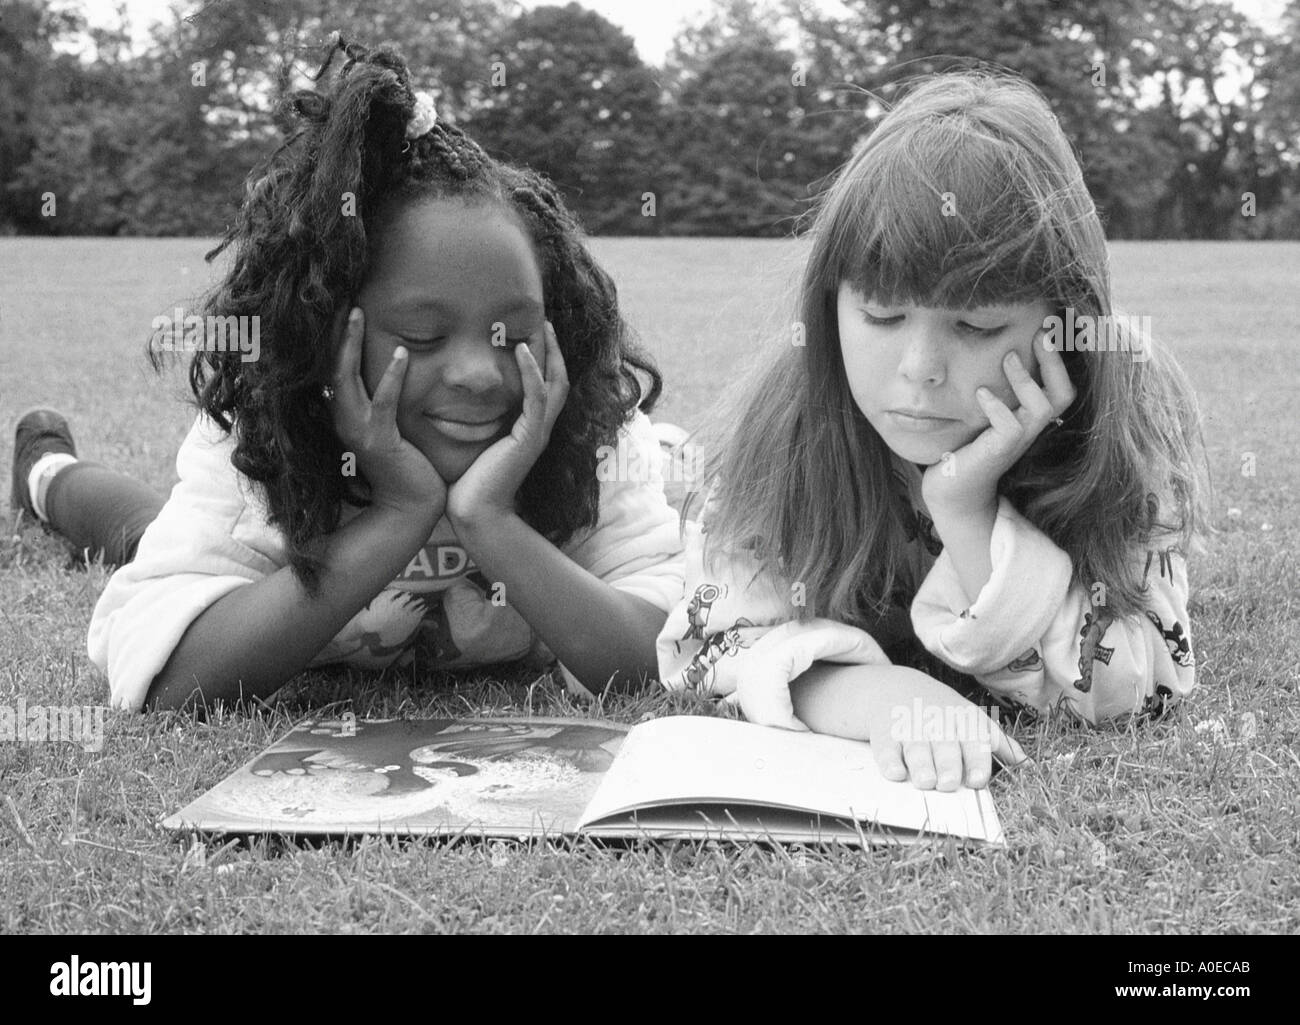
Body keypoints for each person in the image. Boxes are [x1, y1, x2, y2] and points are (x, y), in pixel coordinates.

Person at [10, 37, 684, 712]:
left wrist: (492, 521)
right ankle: (45, 471)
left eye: (514, 332)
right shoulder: (270, 443)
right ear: (330, 331)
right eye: (423, 336)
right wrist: (397, 514)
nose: (481, 373)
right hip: (251, 580)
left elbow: (668, 649)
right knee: (135, 531)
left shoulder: (588, 440)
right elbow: (170, 682)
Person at [656, 71, 1207, 792]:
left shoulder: (1120, 437)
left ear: (1063, 324)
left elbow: (1132, 685)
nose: (918, 370)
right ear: (830, 307)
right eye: (882, 317)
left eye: (974, 325)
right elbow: (706, 643)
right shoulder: (784, 436)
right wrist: (881, 696)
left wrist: (969, 513)